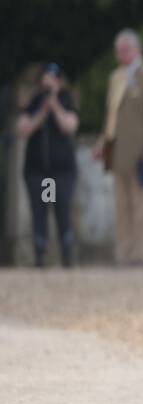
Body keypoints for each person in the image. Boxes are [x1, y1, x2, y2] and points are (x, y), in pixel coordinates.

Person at [92, 29, 143, 266]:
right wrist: (101, 145)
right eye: (118, 50)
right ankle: (124, 253)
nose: (121, 54)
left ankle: (140, 253)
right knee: (122, 206)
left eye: (125, 49)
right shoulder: (116, 77)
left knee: (142, 206)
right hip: (118, 155)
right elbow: (111, 118)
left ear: (137, 49)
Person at [14, 64, 79, 266]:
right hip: (39, 173)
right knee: (39, 212)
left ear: (59, 82)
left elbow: (68, 126)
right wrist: (42, 111)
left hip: (61, 172)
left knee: (63, 212)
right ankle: (40, 255)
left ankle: (67, 256)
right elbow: (23, 129)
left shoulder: (67, 101)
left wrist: (55, 106)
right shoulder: (33, 103)